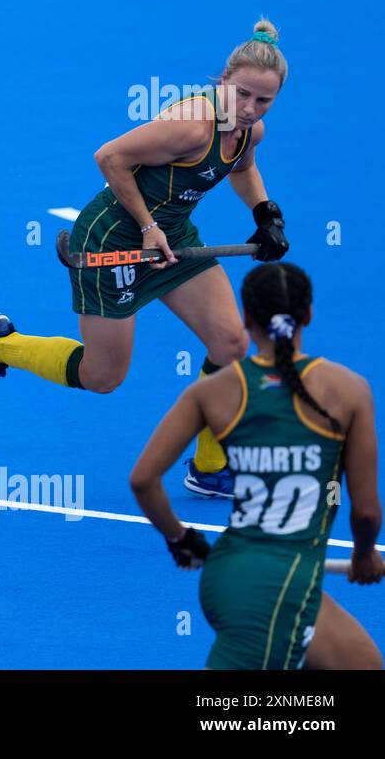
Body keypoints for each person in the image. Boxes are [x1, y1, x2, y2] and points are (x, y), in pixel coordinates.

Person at [0, 20, 291, 498]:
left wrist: (265, 213)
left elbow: (244, 169)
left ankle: (210, 467)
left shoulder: (247, 131)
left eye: (263, 102)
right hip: (112, 241)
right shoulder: (193, 127)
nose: (249, 109)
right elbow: (109, 157)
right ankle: (0, 345)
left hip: (172, 238)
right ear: (223, 80)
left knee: (230, 344)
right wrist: (149, 228)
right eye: (241, 95)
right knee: (103, 376)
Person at [130, 262, 383, 669]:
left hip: (239, 574)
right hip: (274, 586)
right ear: (309, 315)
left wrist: (179, 538)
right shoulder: (349, 389)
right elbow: (367, 511)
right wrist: (367, 555)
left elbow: (143, 479)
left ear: (246, 319)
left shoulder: (212, 391)